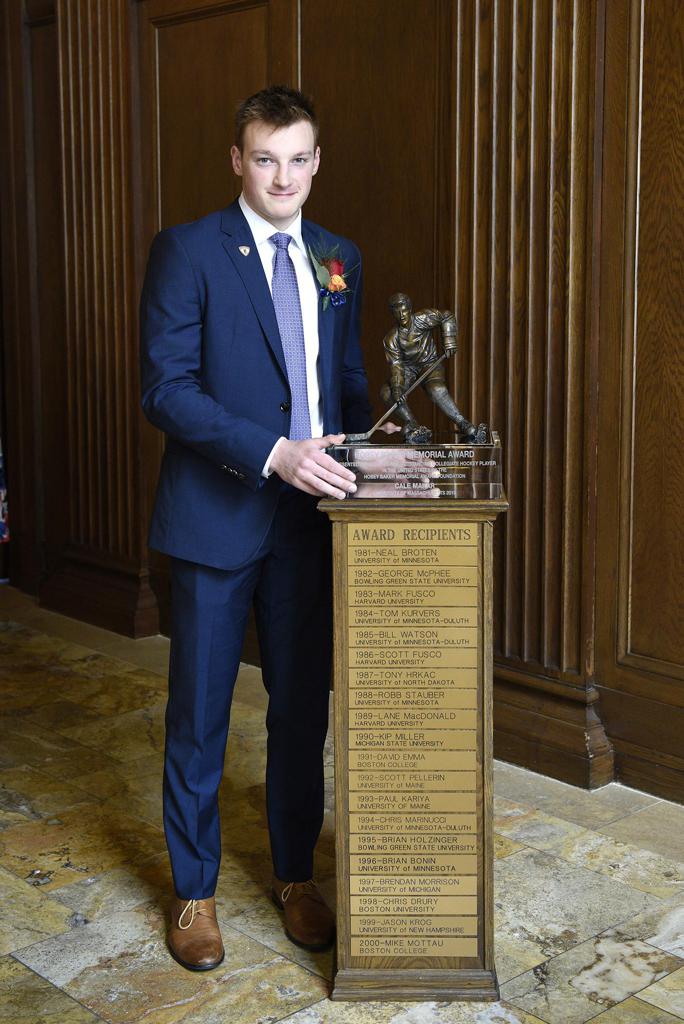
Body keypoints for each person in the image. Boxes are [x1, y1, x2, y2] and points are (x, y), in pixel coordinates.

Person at [140, 86, 378, 972]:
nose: (284, 175)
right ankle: (194, 889)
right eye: (266, 157)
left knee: (299, 706)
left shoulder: (338, 257)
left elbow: (347, 386)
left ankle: (292, 875)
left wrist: (368, 462)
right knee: (201, 715)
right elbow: (165, 389)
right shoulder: (190, 250)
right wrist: (272, 452)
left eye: (299, 158)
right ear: (239, 161)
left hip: (311, 522)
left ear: (317, 163)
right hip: (217, 513)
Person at [380, 292, 477, 443]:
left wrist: (449, 340)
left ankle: (462, 422)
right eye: (396, 311)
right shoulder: (391, 338)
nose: (401, 314)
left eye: (404, 309)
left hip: (429, 364)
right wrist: (398, 388)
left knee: (436, 389)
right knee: (387, 393)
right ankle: (412, 424)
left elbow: (446, 316)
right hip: (408, 369)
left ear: (410, 309)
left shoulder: (422, 319)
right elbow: (396, 366)